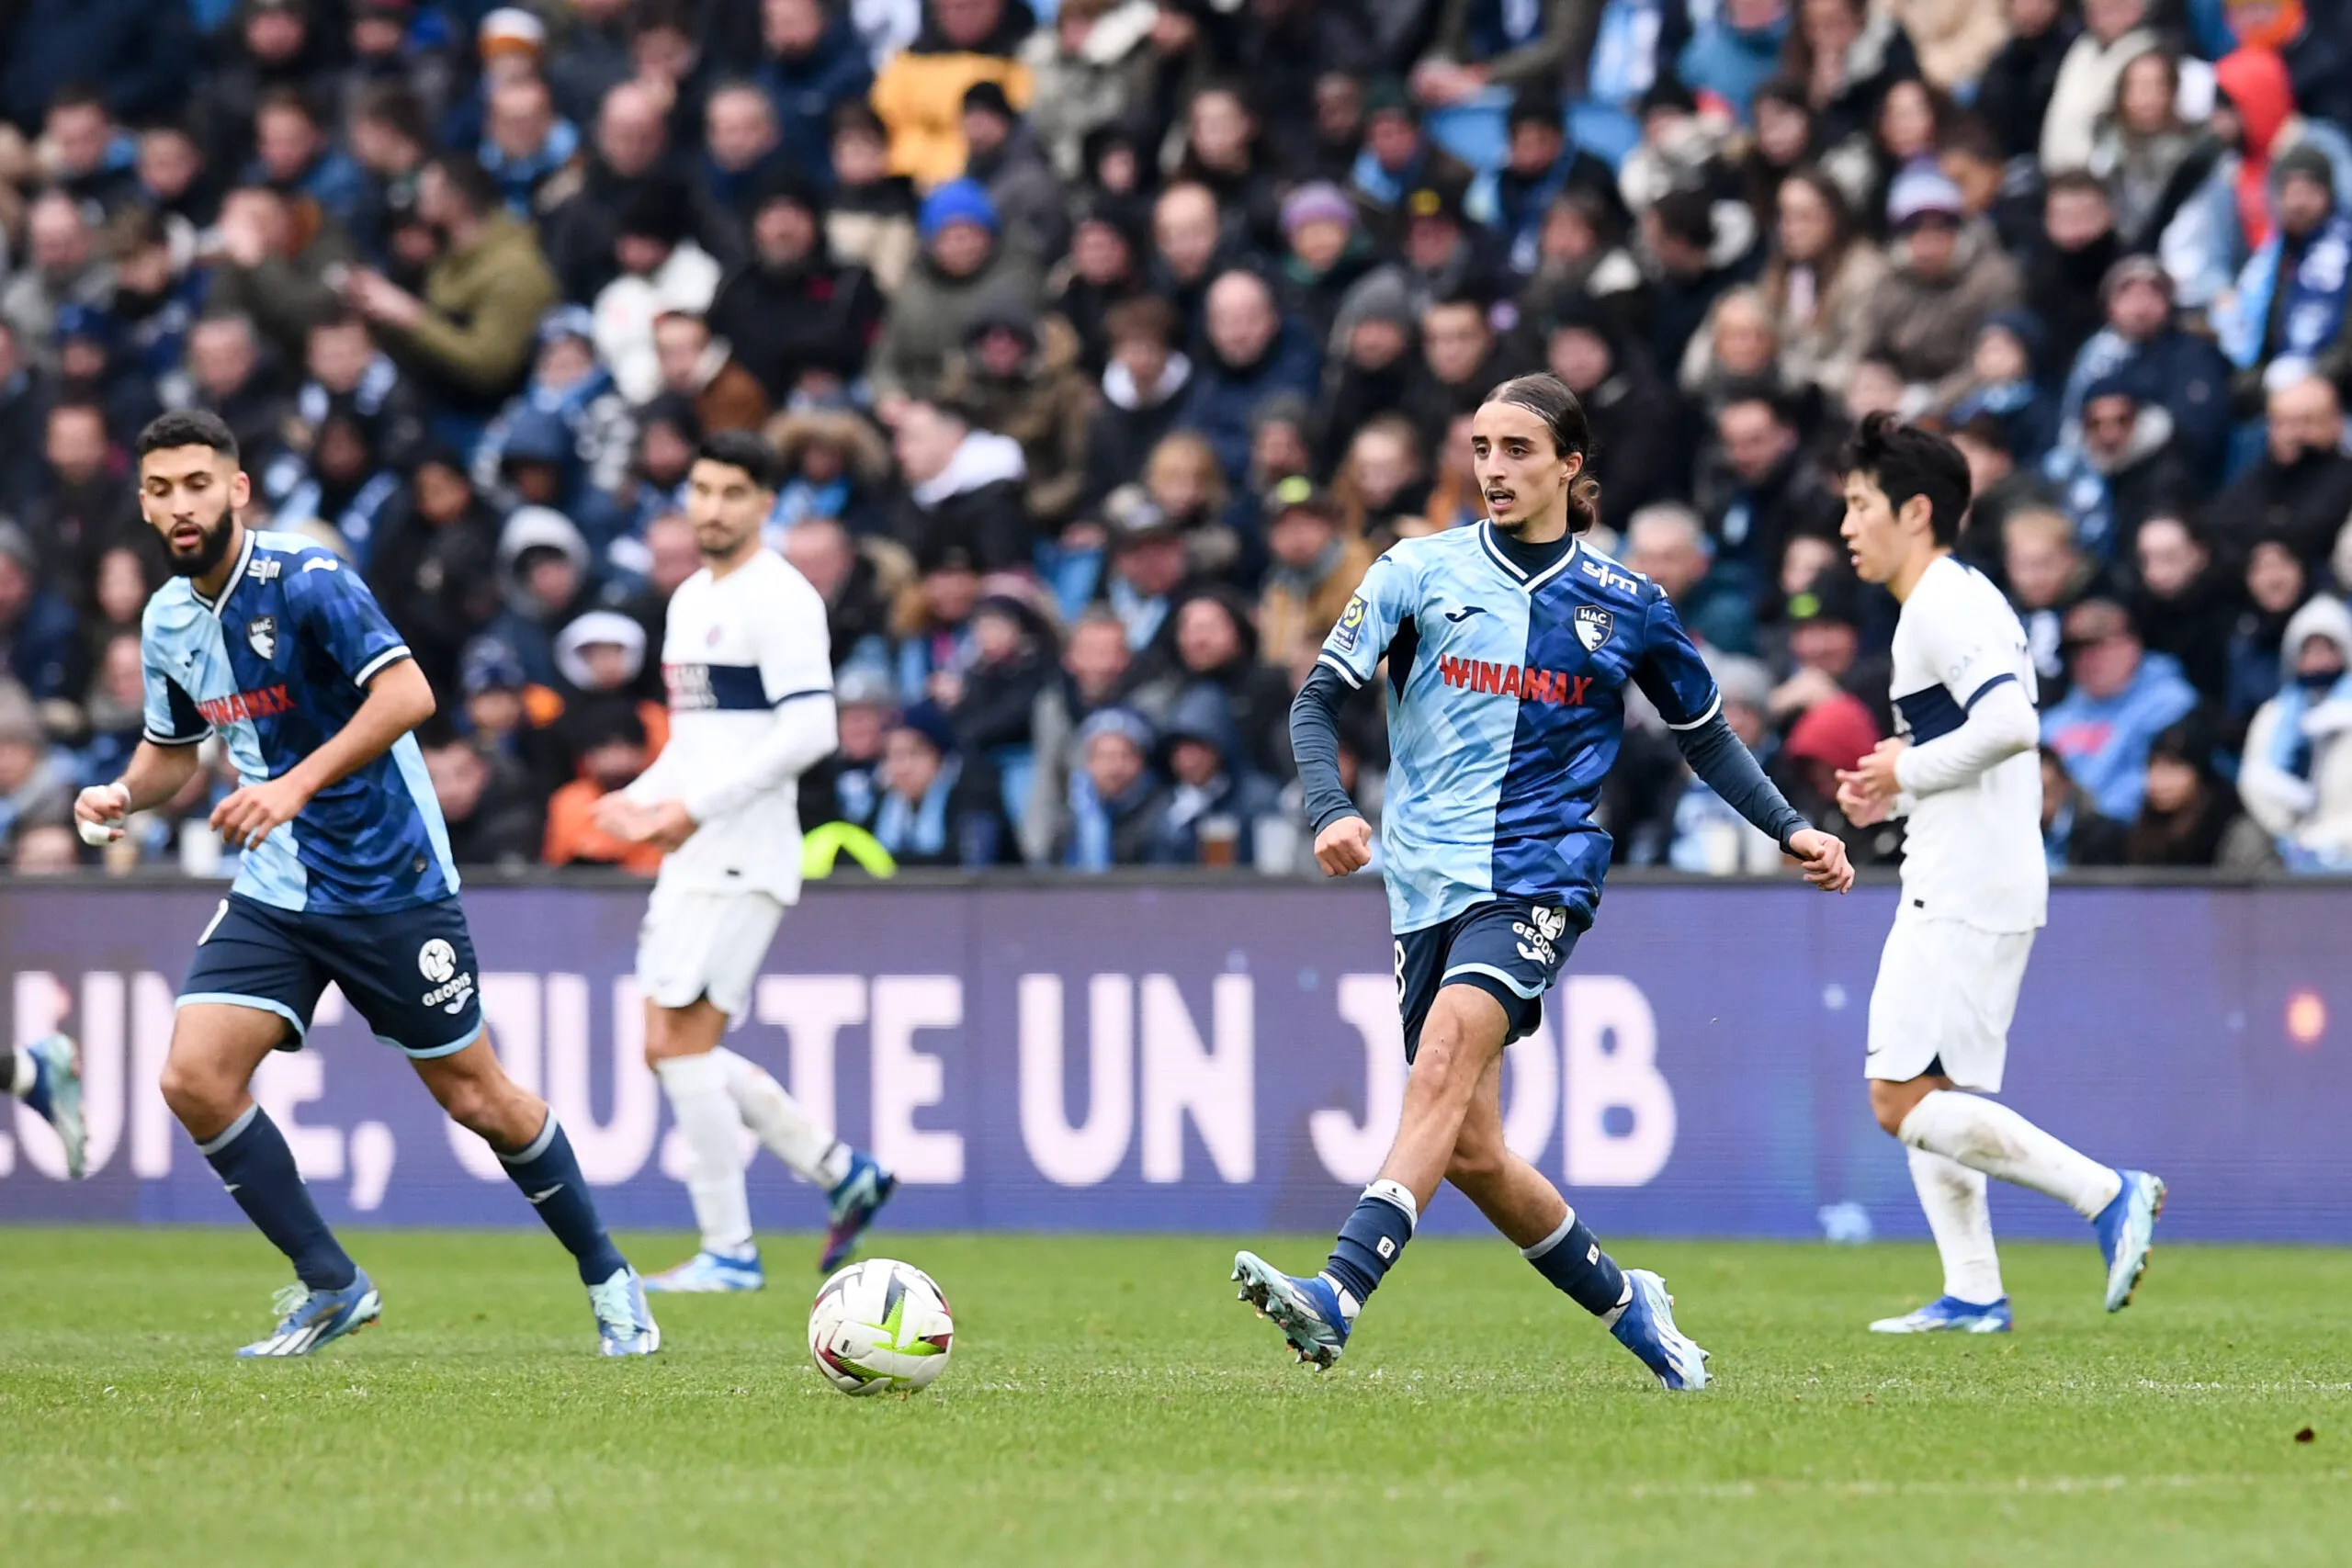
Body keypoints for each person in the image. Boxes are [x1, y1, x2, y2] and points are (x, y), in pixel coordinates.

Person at [1230, 373, 1854, 1384]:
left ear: (1571, 465)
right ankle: (1630, 1305)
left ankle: (1337, 1292)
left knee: (1439, 1066)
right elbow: (1313, 706)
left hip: (1536, 877)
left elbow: (1706, 738)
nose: (1492, 470)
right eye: (1479, 449)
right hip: (1423, 885)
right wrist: (1331, 808)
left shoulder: (1626, 603)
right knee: (1472, 1151)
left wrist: (1790, 828)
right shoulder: (1413, 571)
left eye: (1516, 450)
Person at [72, 410, 658, 1358]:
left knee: (478, 1098)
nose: (180, 505)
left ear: (236, 490)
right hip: (278, 885)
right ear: (143, 503)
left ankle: (608, 1273)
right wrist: (121, 794)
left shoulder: (307, 580)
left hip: (391, 882)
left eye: (196, 483)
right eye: (160, 489)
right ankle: (331, 1285)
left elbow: (410, 695)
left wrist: (291, 786)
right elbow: (173, 754)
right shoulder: (168, 618)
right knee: (194, 1078)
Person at [1831, 412, 2165, 1336]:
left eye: (1860, 506)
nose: (1847, 527)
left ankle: (2107, 1192)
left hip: (1969, 881)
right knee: (1929, 1091)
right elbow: (1968, 745)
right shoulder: (1943, 601)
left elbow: (2014, 725)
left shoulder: (1944, 600)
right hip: (1970, 867)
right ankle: (1974, 1290)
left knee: (1897, 1096)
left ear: (1917, 510)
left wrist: (1906, 770)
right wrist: (1891, 791)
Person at [587, 431, 896, 1290]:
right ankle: (837, 1169)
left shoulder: (782, 597)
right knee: (669, 1043)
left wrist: (690, 809)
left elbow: (811, 730)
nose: (712, 508)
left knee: (678, 1042)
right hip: (696, 848)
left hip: (742, 851)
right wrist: (645, 796)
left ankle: (731, 1249)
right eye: (701, 490)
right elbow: (698, 739)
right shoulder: (688, 598)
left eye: (732, 493)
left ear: (767, 502)